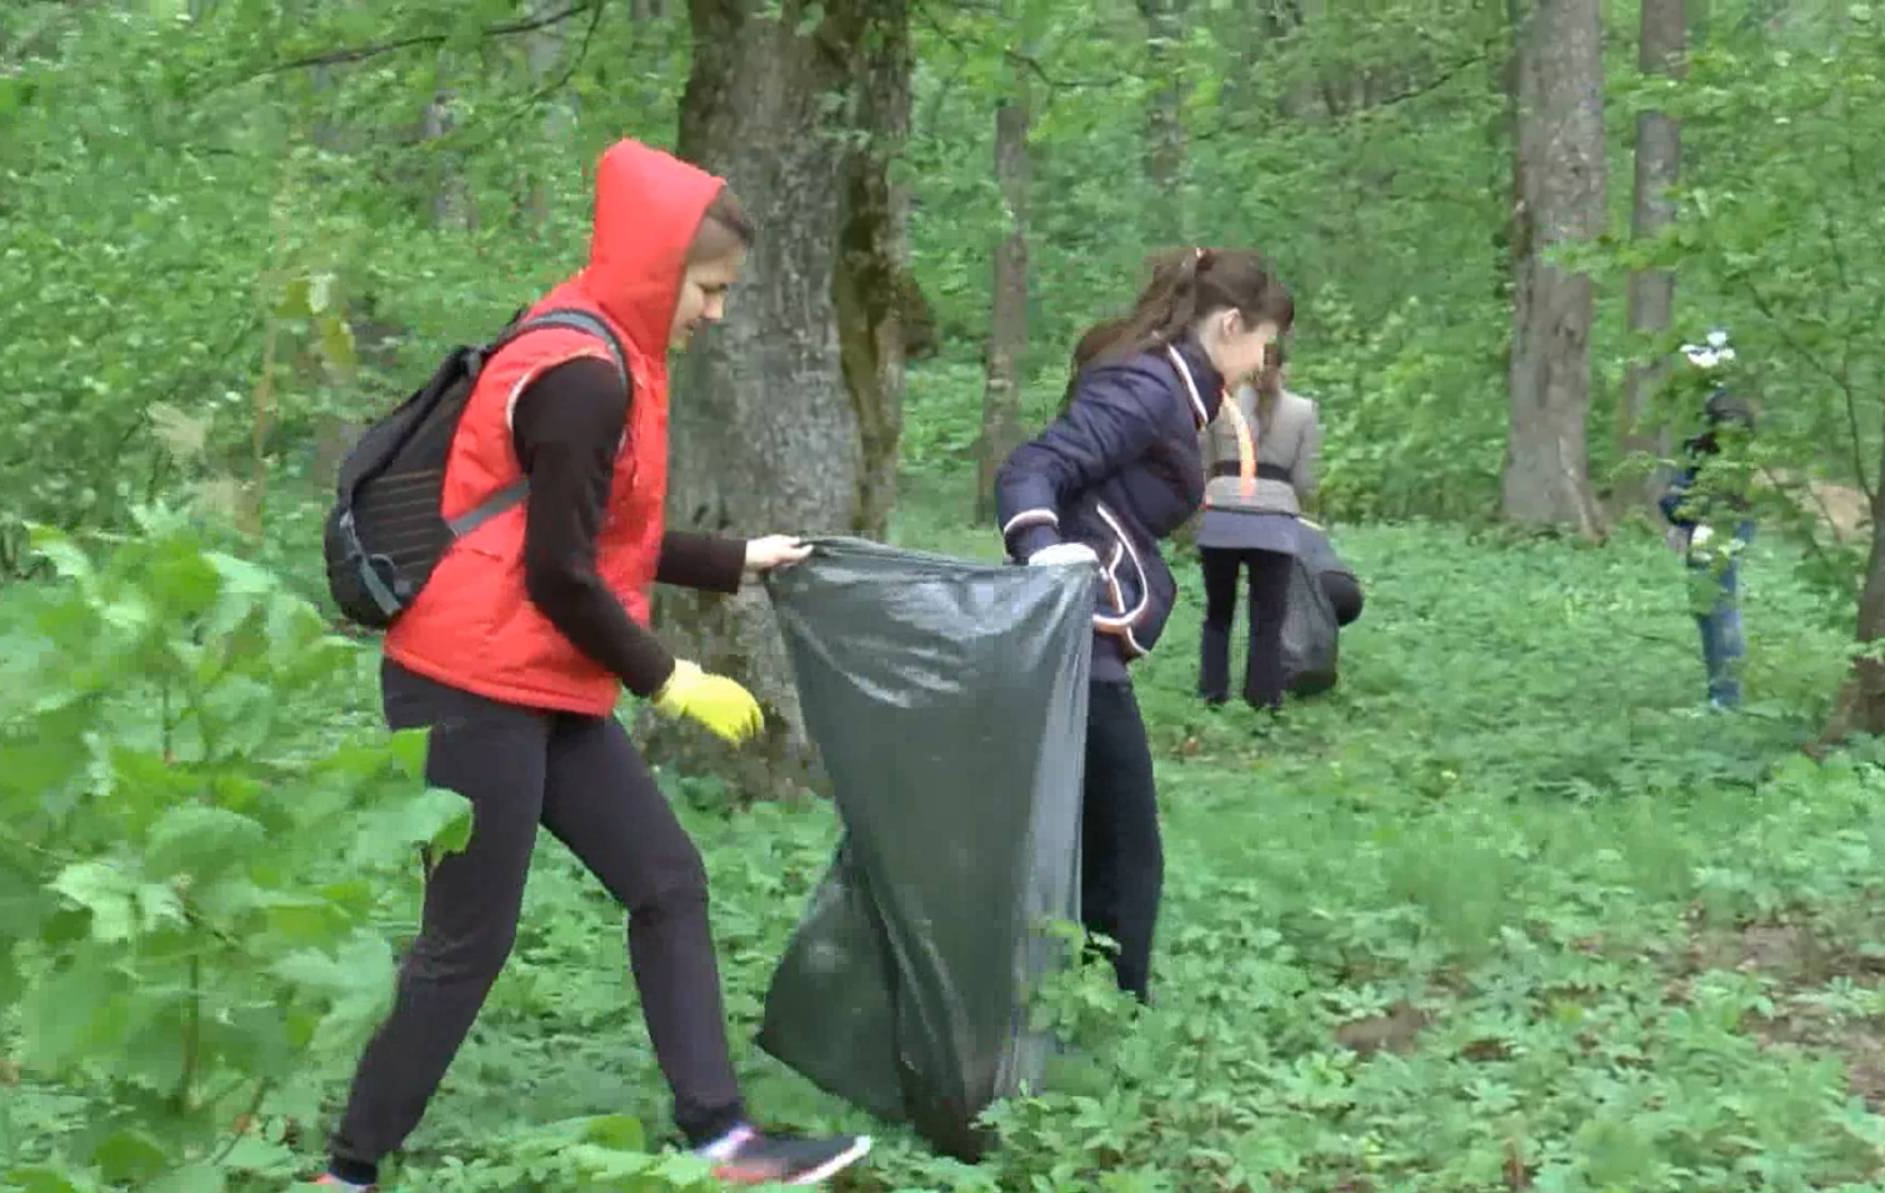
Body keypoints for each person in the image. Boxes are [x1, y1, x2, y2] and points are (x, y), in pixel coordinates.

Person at [312, 139, 870, 1190]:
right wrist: (671, 678)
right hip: (468, 680)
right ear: (663, 273)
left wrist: (732, 559)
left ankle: (723, 1138)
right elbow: (561, 572)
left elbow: (592, 536)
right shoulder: (582, 374)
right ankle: (347, 1169)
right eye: (709, 289)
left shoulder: (611, 347)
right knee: (468, 938)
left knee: (667, 879)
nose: (715, 311)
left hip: (541, 671)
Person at [993, 247, 1292, 1003]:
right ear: (1229, 324)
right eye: (1264, 343)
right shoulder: (1150, 385)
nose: (1263, 363)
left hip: (1083, 640)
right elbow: (1032, 467)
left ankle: (1076, 1002)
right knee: (1126, 852)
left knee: (1093, 841)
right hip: (1075, 640)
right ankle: (1110, 1017)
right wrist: (1041, 549)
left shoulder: (1170, 388)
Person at [1194, 342, 1330, 709]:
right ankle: (1263, 699)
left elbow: (1202, 462)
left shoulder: (1219, 406)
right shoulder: (1304, 411)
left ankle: (1212, 693)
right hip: (1275, 525)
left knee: (1218, 614)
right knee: (1268, 618)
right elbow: (1304, 479)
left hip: (1221, 517)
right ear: (1285, 369)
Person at [1658, 329, 1756, 712]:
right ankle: (1719, 691)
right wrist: (1681, 522)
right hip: (1705, 520)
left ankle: (1725, 698)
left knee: (1718, 605)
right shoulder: (1708, 406)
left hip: (1718, 520)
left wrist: (1694, 515)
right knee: (1706, 605)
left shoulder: (1729, 409)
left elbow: (1724, 476)